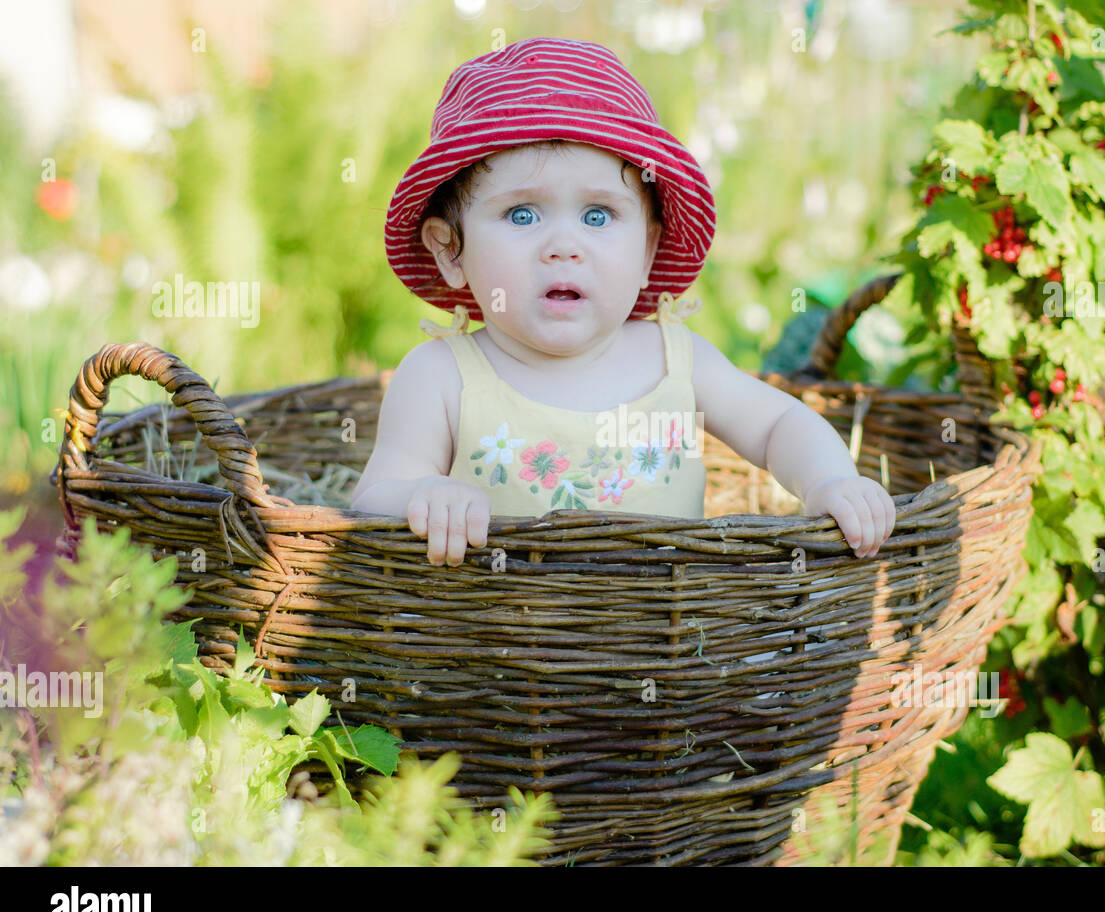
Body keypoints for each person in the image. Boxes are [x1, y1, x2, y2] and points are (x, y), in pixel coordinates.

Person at [351, 37, 895, 567]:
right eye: (522, 215)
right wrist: (422, 495)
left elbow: (779, 425)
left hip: (670, 641)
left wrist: (829, 480)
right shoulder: (441, 376)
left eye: (597, 216)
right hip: (498, 644)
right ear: (450, 250)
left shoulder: (674, 359)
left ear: (647, 251)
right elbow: (374, 495)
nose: (564, 247)